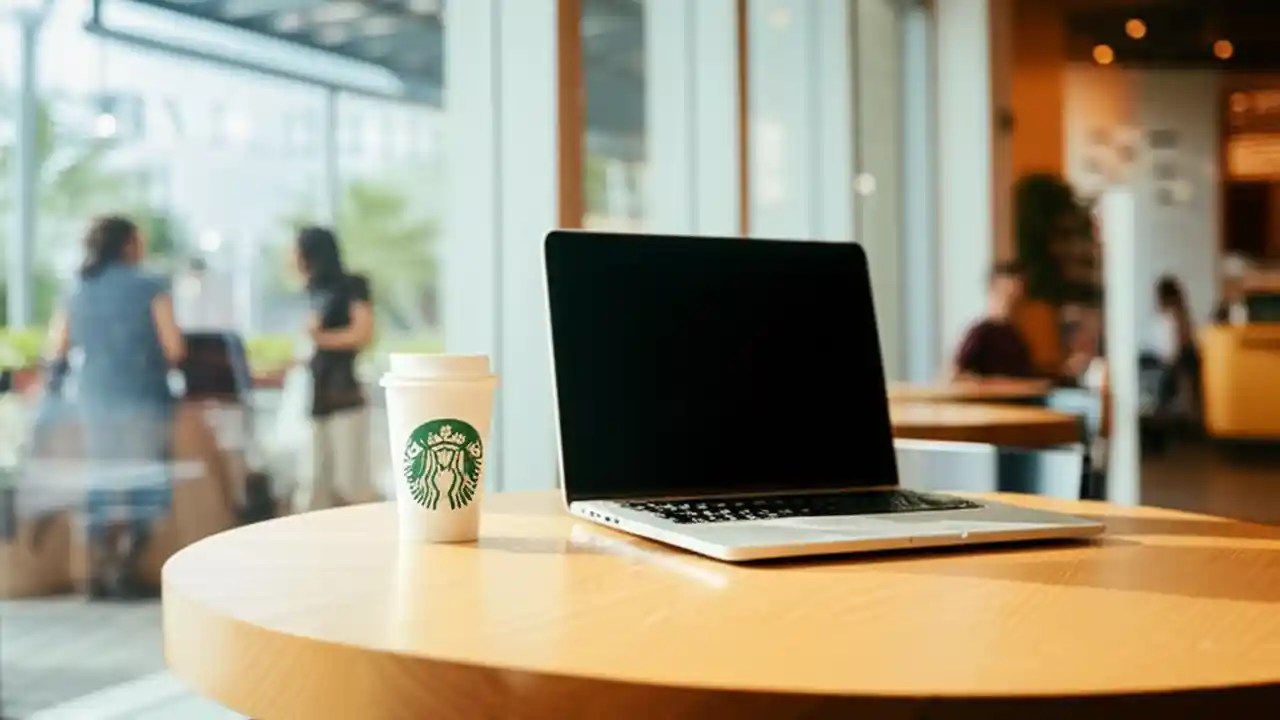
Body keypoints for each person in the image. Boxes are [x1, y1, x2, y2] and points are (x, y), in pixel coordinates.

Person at [47, 215, 187, 598]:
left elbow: (57, 349)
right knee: (144, 483)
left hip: (92, 399)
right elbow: (174, 348)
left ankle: (99, 571)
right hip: (144, 397)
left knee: (101, 484)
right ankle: (125, 569)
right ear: (127, 244)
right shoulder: (151, 285)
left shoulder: (76, 289)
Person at [292, 226, 377, 512]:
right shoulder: (313, 291)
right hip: (317, 392)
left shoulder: (351, 286)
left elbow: (362, 333)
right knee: (315, 481)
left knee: (352, 482)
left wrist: (322, 339)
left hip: (344, 392)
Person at [952, 262, 1035, 380]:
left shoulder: (1015, 335)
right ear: (993, 290)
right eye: (1007, 294)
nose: (1012, 302)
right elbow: (955, 374)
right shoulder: (981, 333)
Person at [1147, 275, 1201, 413]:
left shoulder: (1171, 318)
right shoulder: (1182, 316)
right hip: (1183, 362)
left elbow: (1171, 350)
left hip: (1179, 363)